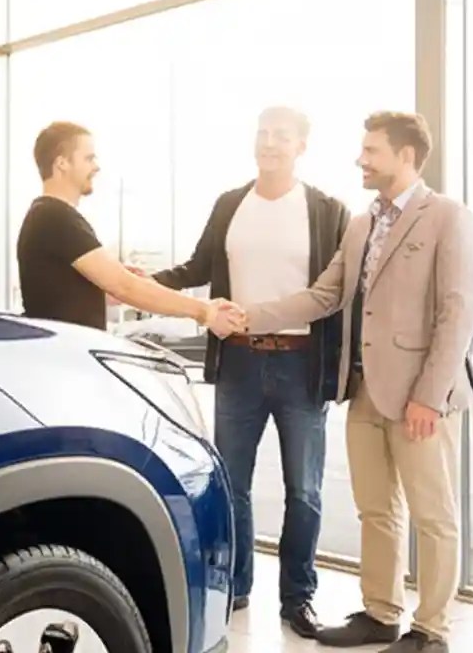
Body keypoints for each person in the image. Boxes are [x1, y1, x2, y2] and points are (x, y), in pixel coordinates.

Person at [236, 111, 473, 653]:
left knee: (433, 516)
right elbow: (325, 294)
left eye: (372, 151)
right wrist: (248, 315)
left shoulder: (447, 217)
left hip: (422, 396)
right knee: (377, 509)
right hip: (365, 389)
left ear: (407, 157)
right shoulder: (363, 222)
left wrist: (429, 395)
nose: (360, 159)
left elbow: (457, 316)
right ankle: (381, 612)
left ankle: (432, 630)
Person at [151, 106, 350, 638]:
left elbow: (341, 295)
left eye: (280, 136)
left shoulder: (327, 210)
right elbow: (197, 269)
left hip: (300, 364)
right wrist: (139, 280)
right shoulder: (230, 204)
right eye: (262, 134)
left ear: (301, 146)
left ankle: (298, 598)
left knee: (303, 490)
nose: (268, 144)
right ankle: (236, 589)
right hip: (238, 360)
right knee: (230, 482)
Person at [16, 121, 243, 337]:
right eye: (88, 158)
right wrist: (205, 311)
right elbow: (124, 286)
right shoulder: (56, 217)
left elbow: (68, 293)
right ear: (62, 163)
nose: (96, 167)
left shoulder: (46, 215)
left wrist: (103, 292)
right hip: (66, 360)